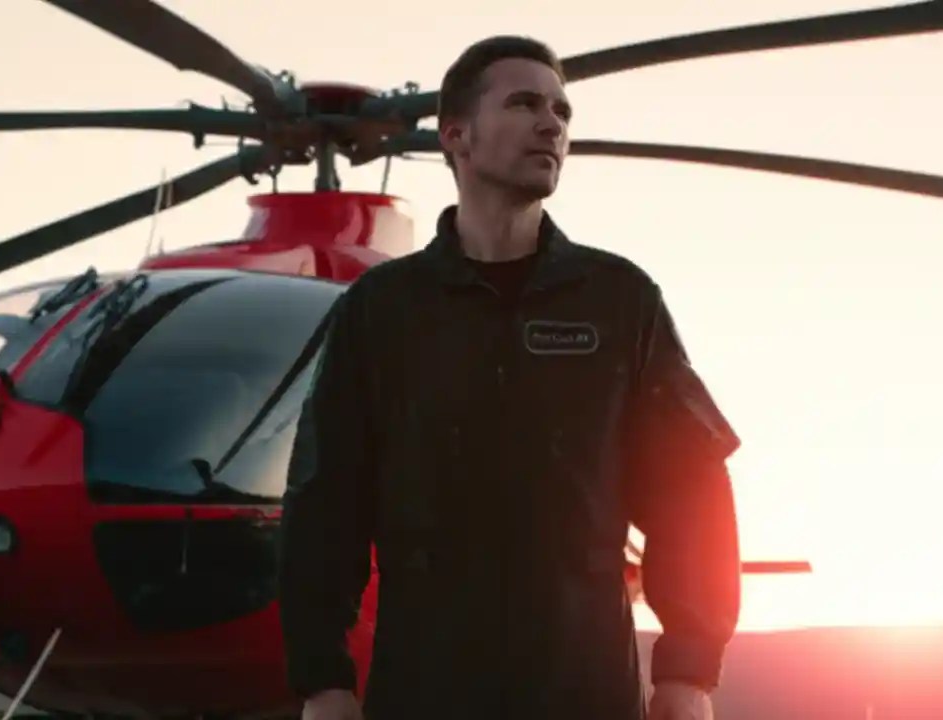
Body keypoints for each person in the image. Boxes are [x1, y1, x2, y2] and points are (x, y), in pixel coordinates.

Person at [278, 35, 742, 720]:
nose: (551, 123)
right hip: (426, 691)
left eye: (561, 110)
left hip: (586, 691)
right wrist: (323, 679)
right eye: (524, 103)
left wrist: (688, 672)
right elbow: (325, 502)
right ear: (456, 135)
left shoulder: (619, 299)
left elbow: (690, 490)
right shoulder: (382, 311)